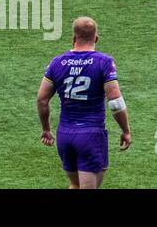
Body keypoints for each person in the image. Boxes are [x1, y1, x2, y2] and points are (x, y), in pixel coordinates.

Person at [37, 16, 130, 190]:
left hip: (65, 135)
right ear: (96, 38)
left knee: (74, 185)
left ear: (74, 38)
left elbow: (42, 100)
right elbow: (115, 103)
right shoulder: (104, 62)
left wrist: (46, 129)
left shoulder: (57, 62)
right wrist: (125, 131)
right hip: (90, 135)